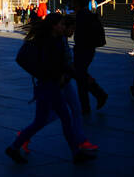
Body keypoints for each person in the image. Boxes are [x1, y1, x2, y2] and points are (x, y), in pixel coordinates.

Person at [6, 13, 96, 164]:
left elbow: (62, 65)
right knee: (58, 119)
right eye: (61, 24)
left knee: (44, 120)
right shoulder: (46, 42)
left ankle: (14, 147)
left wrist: (80, 76)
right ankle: (76, 153)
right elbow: (26, 60)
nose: (63, 27)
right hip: (48, 86)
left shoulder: (57, 41)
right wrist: (42, 74)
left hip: (51, 85)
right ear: (54, 26)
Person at [70, 0, 107, 113]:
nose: (72, 6)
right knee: (81, 75)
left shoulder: (82, 15)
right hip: (88, 49)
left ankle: (87, 105)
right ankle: (98, 95)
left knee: (80, 77)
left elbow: (80, 35)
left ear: (78, 4)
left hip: (83, 49)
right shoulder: (87, 14)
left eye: (73, 3)